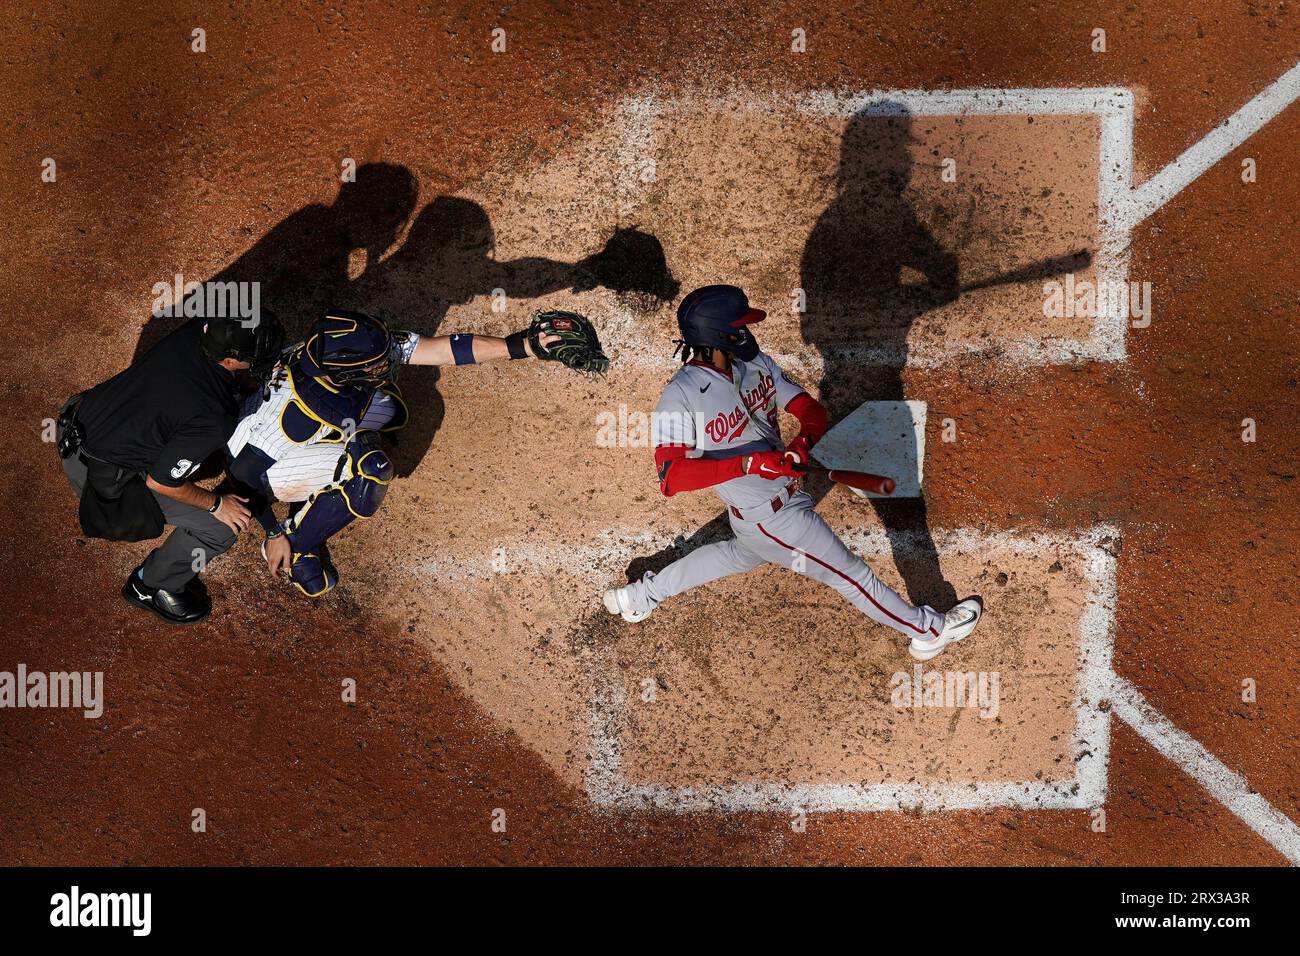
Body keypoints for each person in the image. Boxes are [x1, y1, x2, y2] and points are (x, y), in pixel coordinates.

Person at [601, 285, 983, 661]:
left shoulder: (755, 363)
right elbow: (672, 478)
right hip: (773, 521)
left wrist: (803, 443)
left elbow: (812, 413)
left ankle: (640, 597)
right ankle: (928, 632)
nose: (746, 332)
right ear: (717, 334)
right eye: (739, 327)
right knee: (851, 576)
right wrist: (749, 464)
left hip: (774, 508)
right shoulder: (680, 398)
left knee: (739, 555)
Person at [225, 308, 605, 596]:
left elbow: (441, 350)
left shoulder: (332, 356)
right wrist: (274, 531)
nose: (385, 363)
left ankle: (339, 456)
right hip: (268, 467)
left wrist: (522, 345)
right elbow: (242, 479)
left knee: (388, 406)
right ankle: (299, 543)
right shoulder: (292, 416)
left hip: (322, 421)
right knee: (369, 469)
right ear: (343, 374)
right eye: (374, 365)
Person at [57, 312, 285, 624]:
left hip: (78, 416)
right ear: (230, 361)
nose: (267, 362)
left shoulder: (198, 331)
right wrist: (217, 504)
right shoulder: (215, 417)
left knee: (177, 432)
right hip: (101, 479)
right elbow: (161, 483)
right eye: (258, 357)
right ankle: (151, 585)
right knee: (220, 529)